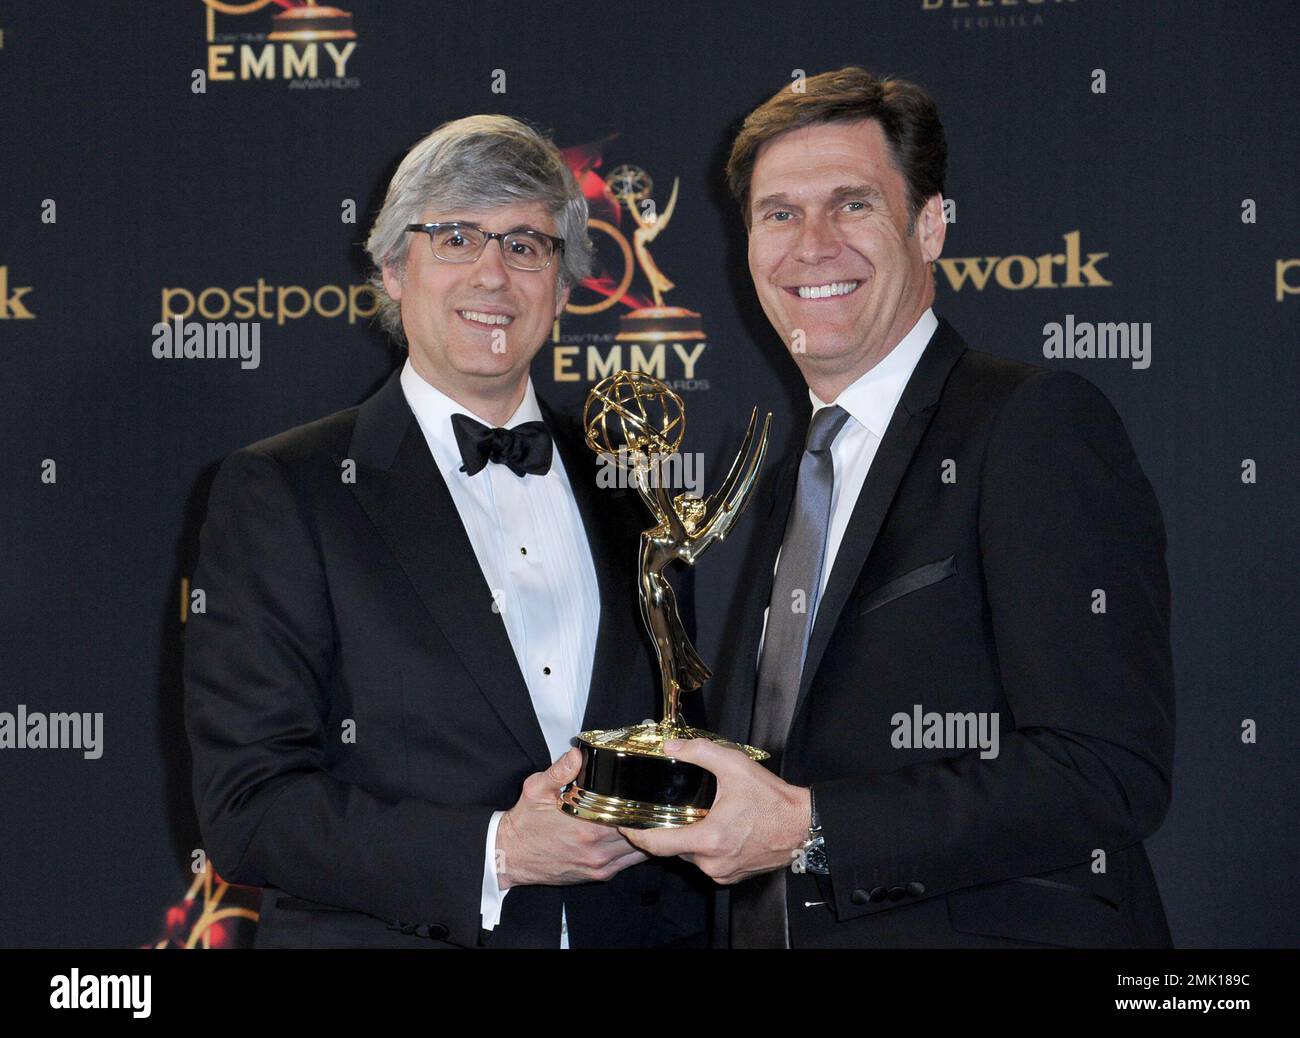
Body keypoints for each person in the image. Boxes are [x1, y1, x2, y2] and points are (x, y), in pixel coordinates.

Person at [623, 67, 1175, 949]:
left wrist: (810, 828)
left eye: (852, 205)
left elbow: (1106, 772)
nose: (811, 245)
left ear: (929, 227)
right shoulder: (773, 473)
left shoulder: (1031, 423)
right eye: (778, 213)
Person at [184, 114, 703, 949]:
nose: (493, 276)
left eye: (527, 245)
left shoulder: (633, 488)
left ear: (564, 287)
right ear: (393, 268)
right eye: (457, 238)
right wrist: (498, 851)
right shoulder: (286, 489)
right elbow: (250, 807)